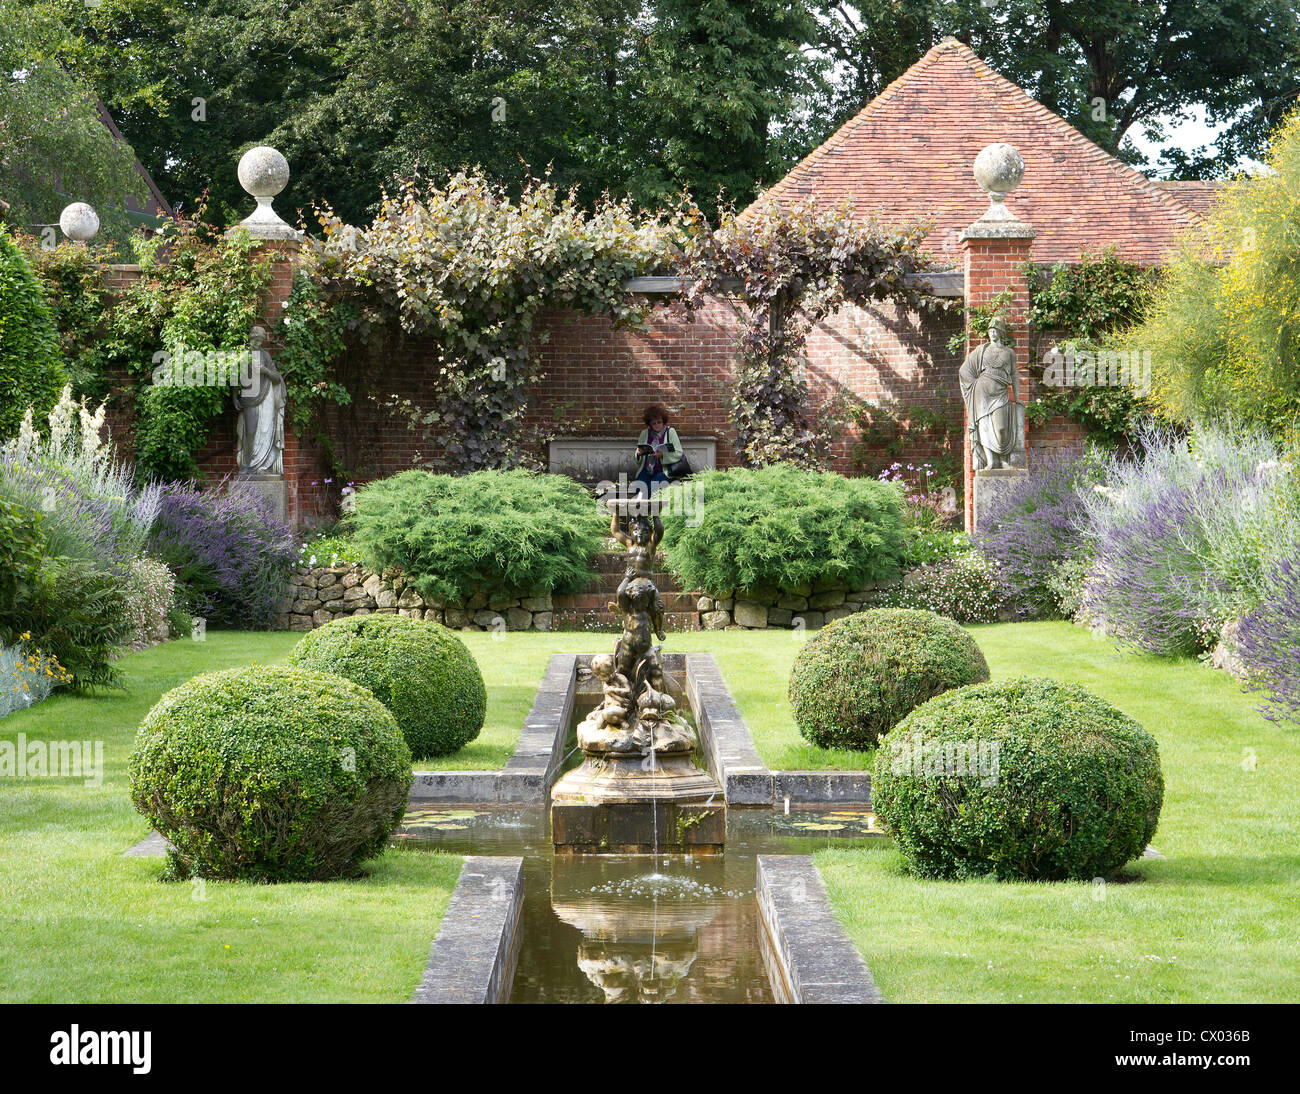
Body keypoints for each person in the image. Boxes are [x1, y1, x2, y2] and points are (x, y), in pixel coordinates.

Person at [958, 317, 1026, 470]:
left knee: (1001, 428)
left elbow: (1014, 374)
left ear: (1001, 333)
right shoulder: (982, 350)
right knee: (984, 426)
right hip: (981, 393)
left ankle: (1003, 460)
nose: (992, 334)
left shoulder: (1009, 353)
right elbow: (963, 370)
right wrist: (974, 384)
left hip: (1000, 392)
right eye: (990, 331)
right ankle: (991, 462)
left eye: (995, 331)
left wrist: (1017, 397)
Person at [634, 404, 683, 495]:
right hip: (647, 469)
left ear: (663, 421)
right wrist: (638, 454)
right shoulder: (644, 434)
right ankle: (641, 505)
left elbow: (679, 453)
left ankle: (645, 507)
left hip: (664, 470)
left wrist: (662, 455)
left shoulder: (670, 432)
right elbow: (638, 459)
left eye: (659, 422)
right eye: (654, 423)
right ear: (650, 424)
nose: (657, 425)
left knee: (650, 489)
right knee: (638, 488)